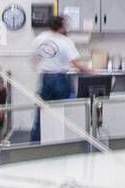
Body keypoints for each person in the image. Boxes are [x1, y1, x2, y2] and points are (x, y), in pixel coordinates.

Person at [30, 14, 92, 143]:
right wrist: (92, 72)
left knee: (42, 112)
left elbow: (34, 58)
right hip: (60, 79)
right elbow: (77, 63)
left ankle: (35, 142)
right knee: (64, 112)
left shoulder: (40, 38)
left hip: (45, 79)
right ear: (62, 27)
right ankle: (63, 141)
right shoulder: (65, 41)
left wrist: (40, 68)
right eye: (66, 25)